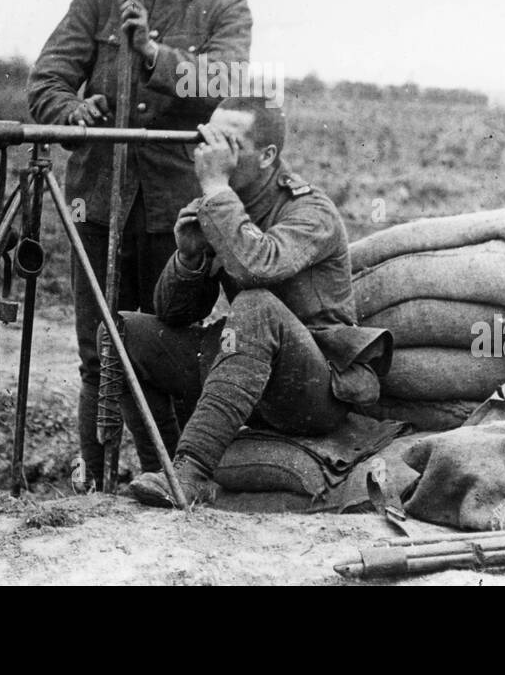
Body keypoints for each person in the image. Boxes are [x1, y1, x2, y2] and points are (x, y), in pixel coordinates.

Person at [28, 0, 252, 490]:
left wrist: (153, 53)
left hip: (175, 218)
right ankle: (93, 485)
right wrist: (71, 113)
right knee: (97, 354)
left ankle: (169, 481)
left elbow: (226, 79)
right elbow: (46, 82)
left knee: (166, 351)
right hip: (99, 204)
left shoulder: (222, 5)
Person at [121, 95, 393, 508]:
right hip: (247, 366)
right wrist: (189, 258)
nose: (214, 157)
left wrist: (215, 190)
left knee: (256, 304)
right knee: (127, 333)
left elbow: (256, 267)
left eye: (229, 146)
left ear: (267, 155)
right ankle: (164, 468)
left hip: (315, 385)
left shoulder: (309, 210)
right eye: (208, 142)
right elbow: (174, 314)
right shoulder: (225, 203)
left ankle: (190, 474)